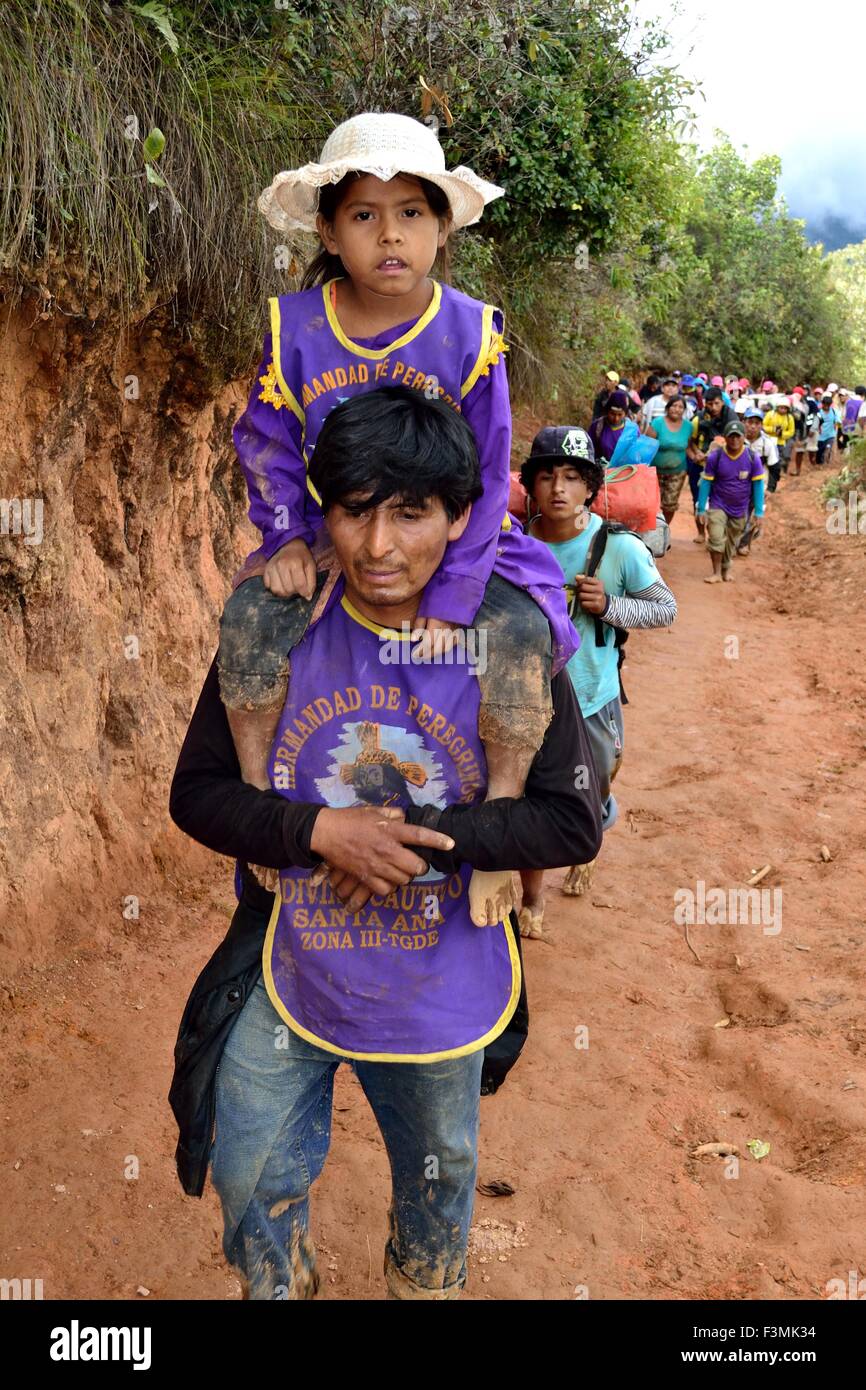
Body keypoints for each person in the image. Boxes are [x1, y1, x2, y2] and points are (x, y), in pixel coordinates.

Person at [168, 387, 604, 1300]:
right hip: (293, 968)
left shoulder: (508, 640)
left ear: (459, 517)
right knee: (249, 1175)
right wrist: (322, 832)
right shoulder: (276, 626)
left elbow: (569, 821)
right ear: (320, 512)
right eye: (354, 510)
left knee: (438, 1186)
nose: (378, 546)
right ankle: (280, 1287)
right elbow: (197, 794)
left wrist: (408, 840)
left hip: (441, 987)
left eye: (412, 513)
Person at [220, 110, 577, 925]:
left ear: (442, 228)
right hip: (331, 533)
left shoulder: (470, 332)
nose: (390, 236)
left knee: (518, 634)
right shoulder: (296, 329)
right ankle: (261, 811)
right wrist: (281, 539)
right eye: (364, 215)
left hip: (453, 543)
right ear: (328, 228)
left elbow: (490, 476)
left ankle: (497, 836)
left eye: (411, 213)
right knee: (248, 620)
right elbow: (268, 442)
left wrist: (456, 593)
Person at [514, 426, 676, 933]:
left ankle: (590, 834)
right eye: (546, 477)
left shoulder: (618, 549)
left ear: (589, 486)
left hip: (592, 698)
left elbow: (665, 609)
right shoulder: (511, 546)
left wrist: (609, 605)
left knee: (593, 788)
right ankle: (533, 900)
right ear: (532, 487)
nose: (558, 488)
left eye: (570, 477)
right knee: (529, 800)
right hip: (524, 702)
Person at [697, 418, 766, 583]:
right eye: (731, 436)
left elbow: (757, 485)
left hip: (740, 507)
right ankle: (716, 572)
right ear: (726, 438)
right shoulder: (716, 457)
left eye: (738, 436)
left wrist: (759, 511)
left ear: (744, 438)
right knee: (715, 537)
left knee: (732, 541)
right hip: (718, 504)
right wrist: (701, 508)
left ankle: (726, 568)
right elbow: (706, 482)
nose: (735, 440)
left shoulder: (752, 458)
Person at [686, 386, 738, 541]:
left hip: (723, 467)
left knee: (720, 500)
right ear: (705, 404)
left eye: (716, 403)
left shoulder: (732, 419)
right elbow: (689, 442)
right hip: (699, 465)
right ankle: (701, 532)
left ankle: (718, 533)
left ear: (722, 402)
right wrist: (696, 454)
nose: (713, 407)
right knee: (697, 499)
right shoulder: (698, 418)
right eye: (709, 404)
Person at [737, 407, 778, 553]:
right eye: (750, 422)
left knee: (755, 515)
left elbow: (774, 467)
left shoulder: (767, 443)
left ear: (761, 424)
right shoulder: (737, 439)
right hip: (738, 484)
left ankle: (743, 543)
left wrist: (771, 488)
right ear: (744, 422)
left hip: (759, 485)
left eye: (756, 423)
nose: (753, 426)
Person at [645, 395, 692, 523]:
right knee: (650, 503)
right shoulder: (657, 423)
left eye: (680, 407)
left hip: (677, 472)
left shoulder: (689, 426)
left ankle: (665, 529)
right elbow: (646, 446)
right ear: (667, 407)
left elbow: (688, 447)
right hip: (655, 472)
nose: (676, 409)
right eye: (674, 406)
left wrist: (697, 457)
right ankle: (649, 528)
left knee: (670, 505)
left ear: (684, 410)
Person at [761, 397, 795, 486]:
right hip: (768, 441)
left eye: (785, 408)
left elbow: (791, 431)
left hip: (780, 442)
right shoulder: (770, 414)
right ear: (777, 407)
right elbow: (763, 426)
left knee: (778, 461)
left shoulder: (789, 418)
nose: (783, 410)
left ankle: (775, 477)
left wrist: (782, 434)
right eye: (781, 408)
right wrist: (773, 429)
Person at [816, 392, 840, 466]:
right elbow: (816, 423)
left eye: (828, 405)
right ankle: (819, 463)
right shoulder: (819, 412)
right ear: (822, 404)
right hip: (820, 436)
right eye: (825, 405)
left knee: (828, 448)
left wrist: (836, 424)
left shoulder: (834, 411)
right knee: (820, 450)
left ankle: (826, 463)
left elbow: (838, 421)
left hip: (830, 435)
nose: (826, 407)